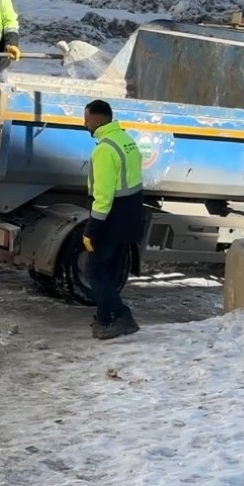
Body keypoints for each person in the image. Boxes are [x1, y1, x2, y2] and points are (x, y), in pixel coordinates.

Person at [82, 99, 145, 340]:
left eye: (87, 119)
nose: (85, 124)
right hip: (129, 216)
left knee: (94, 270)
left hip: (112, 219)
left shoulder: (105, 150)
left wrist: (92, 228)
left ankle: (122, 316)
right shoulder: (126, 140)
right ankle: (105, 319)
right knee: (108, 270)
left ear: (98, 120)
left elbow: (104, 196)